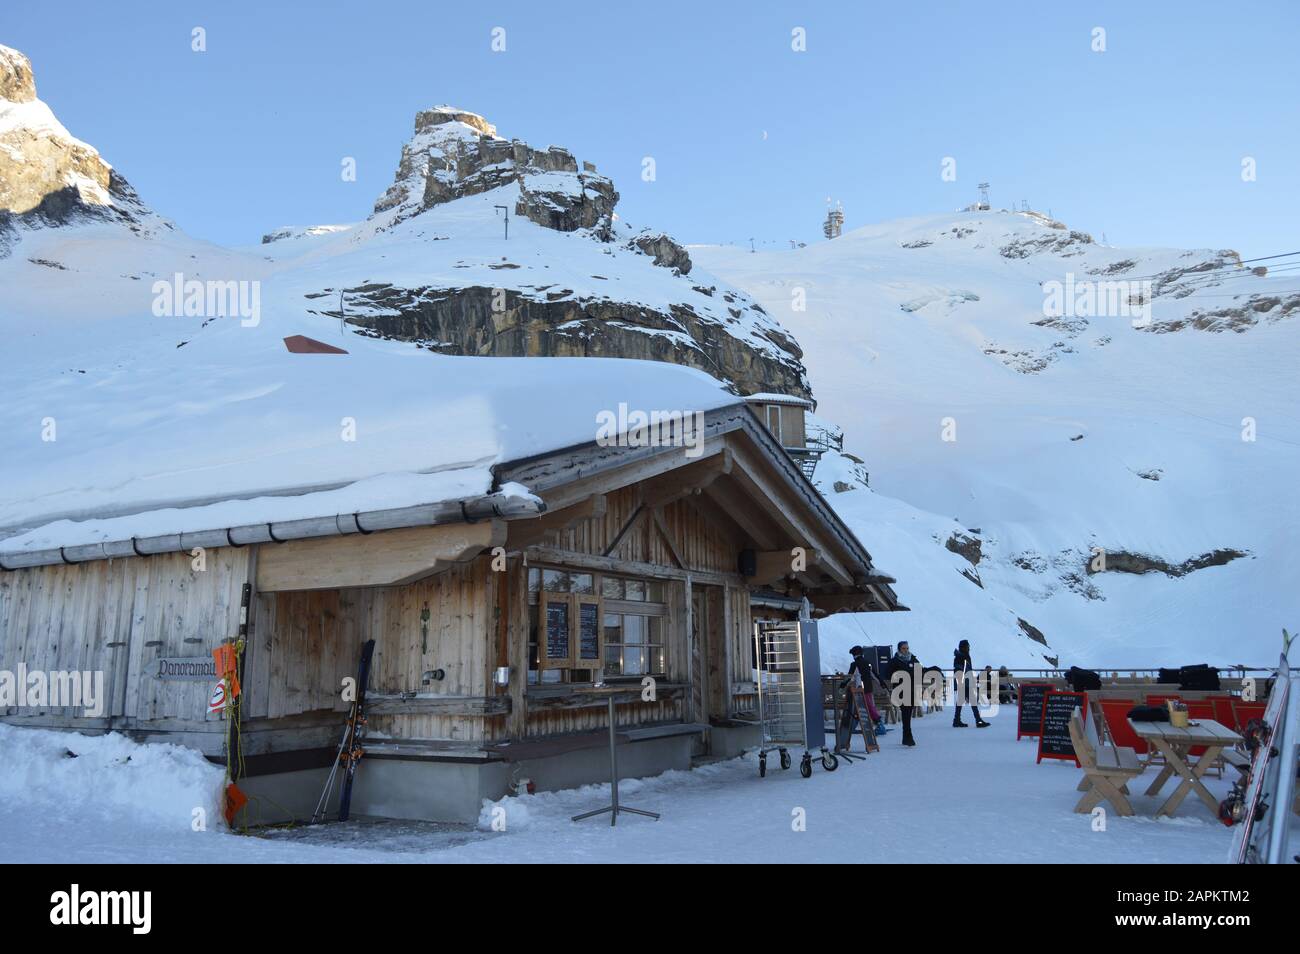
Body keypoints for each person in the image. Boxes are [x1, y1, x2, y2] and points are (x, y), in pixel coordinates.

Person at [837, 646, 889, 750]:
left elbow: (850, 677)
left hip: (859, 691)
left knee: (860, 708)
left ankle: (850, 730)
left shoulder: (854, 664)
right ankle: (875, 725)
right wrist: (883, 685)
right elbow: (875, 675)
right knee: (868, 707)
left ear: (853, 655)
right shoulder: (867, 663)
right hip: (868, 689)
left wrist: (842, 686)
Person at [888, 640, 921, 747]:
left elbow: (920, 670)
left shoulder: (912, 659)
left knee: (908, 714)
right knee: (906, 713)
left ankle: (906, 737)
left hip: (911, 690)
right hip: (900, 691)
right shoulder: (894, 661)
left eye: (907, 648)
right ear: (899, 649)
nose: (906, 650)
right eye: (903, 648)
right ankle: (908, 737)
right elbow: (887, 674)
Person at [951, 639, 990, 728]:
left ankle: (957, 720)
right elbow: (960, 670)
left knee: (962, 701)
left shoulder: (962, 656)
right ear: (964, 647)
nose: (969, 648)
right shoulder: (961, 657)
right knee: (972, 701)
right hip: (964, 682)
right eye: (968, 646)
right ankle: (978, 721)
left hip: (965, 681)